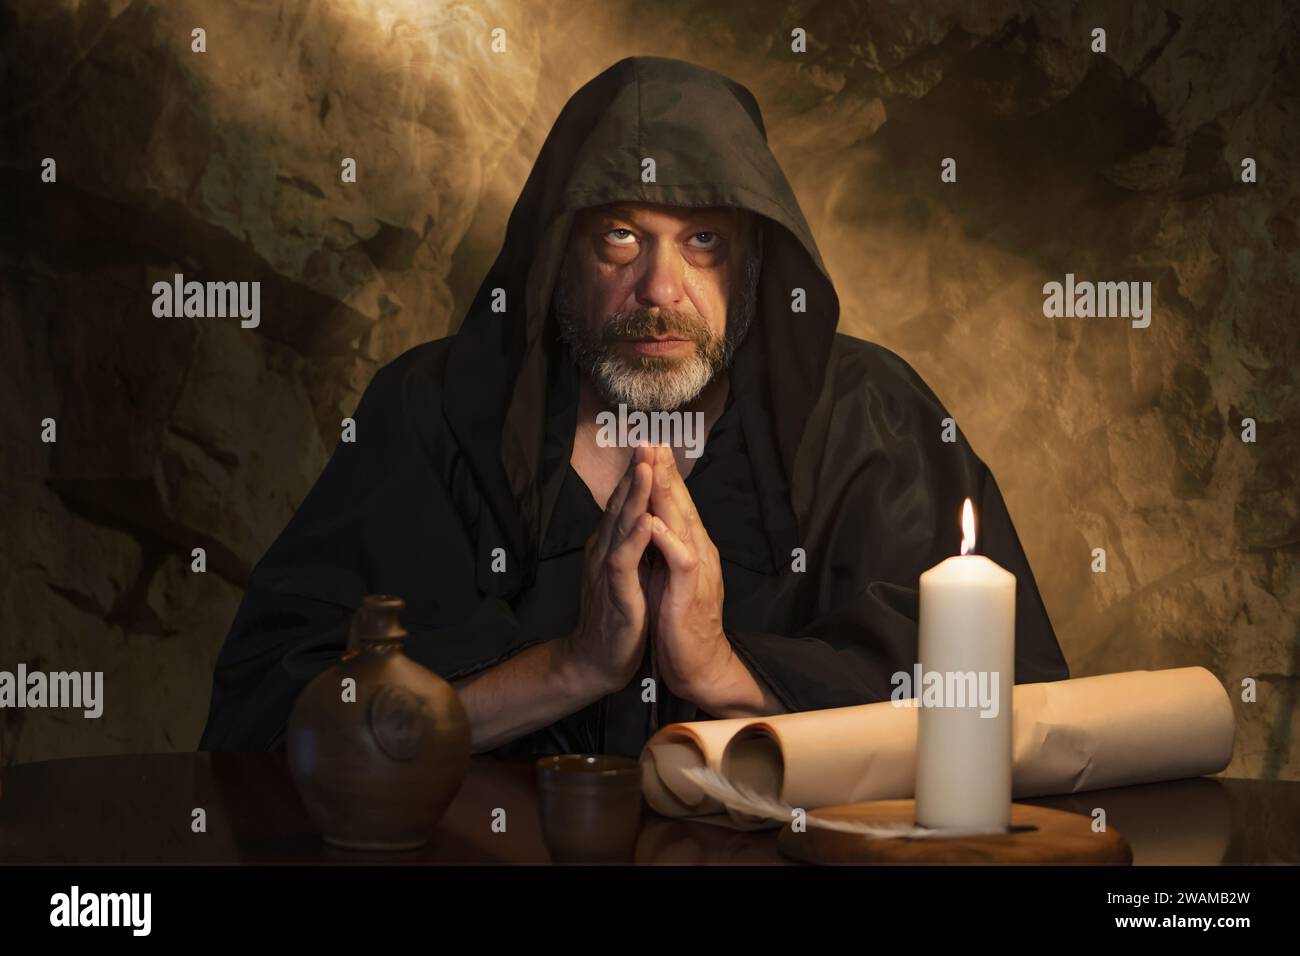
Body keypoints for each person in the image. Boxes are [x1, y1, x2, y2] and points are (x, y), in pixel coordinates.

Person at [198, 56, 1069, 759]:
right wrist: (573, 665)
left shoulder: (875, 424)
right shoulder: (429, 414)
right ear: (559, 256)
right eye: (621, 235)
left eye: (703, 242)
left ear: (756, 263)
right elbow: (266, 720)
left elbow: (1014, 723)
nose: (661, 288)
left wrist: (725, 672)